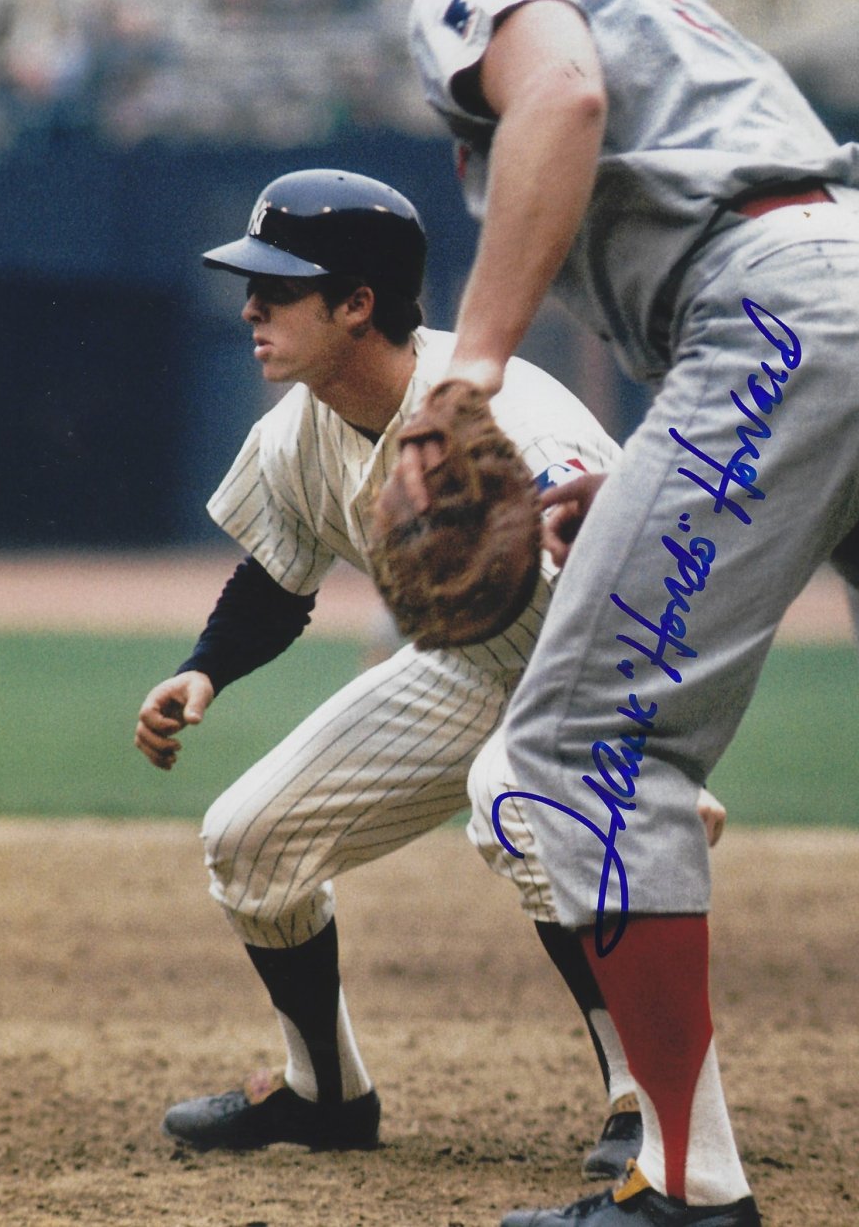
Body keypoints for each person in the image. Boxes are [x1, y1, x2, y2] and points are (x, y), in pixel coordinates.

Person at [285, 0, 859, 1227]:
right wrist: (616, 492)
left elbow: (560, 102)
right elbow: (637, 231)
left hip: (788, 314)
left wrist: (473, 368)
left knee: (573, 751)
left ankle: (684, 1184)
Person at [134, 167, 726, 1179]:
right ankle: (326, 1093)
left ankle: (642, 1099)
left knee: (520, 809)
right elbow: (279, 580)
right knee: (248, 841)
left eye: (277, 287)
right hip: (461, 669)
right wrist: (204, 672)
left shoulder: (510, 424)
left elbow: (655, 580)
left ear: (355, 304)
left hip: (593, 674)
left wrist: (660, 762)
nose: (250, 306)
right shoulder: (296, 432)